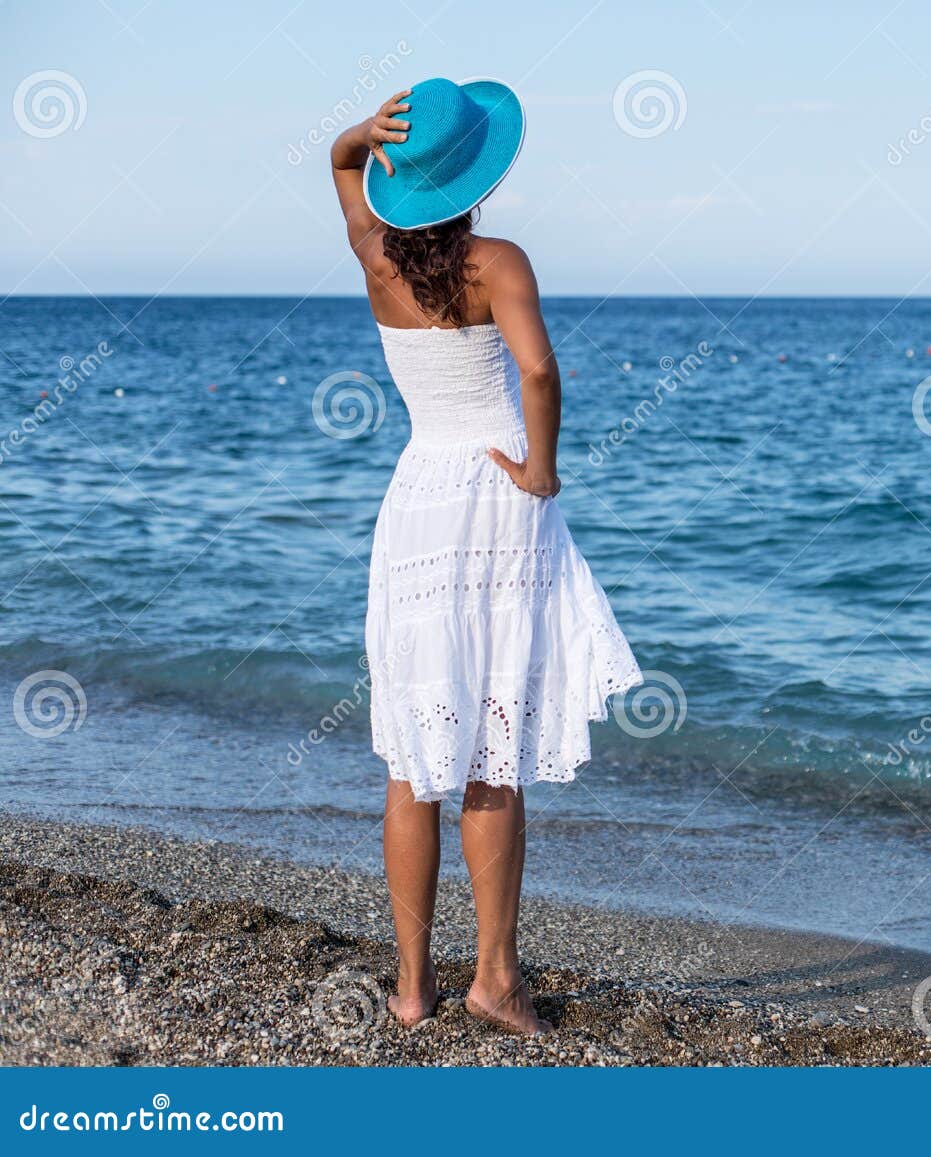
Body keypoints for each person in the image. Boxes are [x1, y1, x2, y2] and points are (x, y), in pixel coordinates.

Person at [330, 78, 642, 1035]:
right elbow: (538, 368)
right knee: (489, 751)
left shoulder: (373, 254)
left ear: (398, 177)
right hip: (499, 504)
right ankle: (495, 980)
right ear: (477, 177)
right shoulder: (498, 260)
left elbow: (340, 163)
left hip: (419, 502)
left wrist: (361, 133)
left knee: (412, 756)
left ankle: (412, 986)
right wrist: (542, 468)